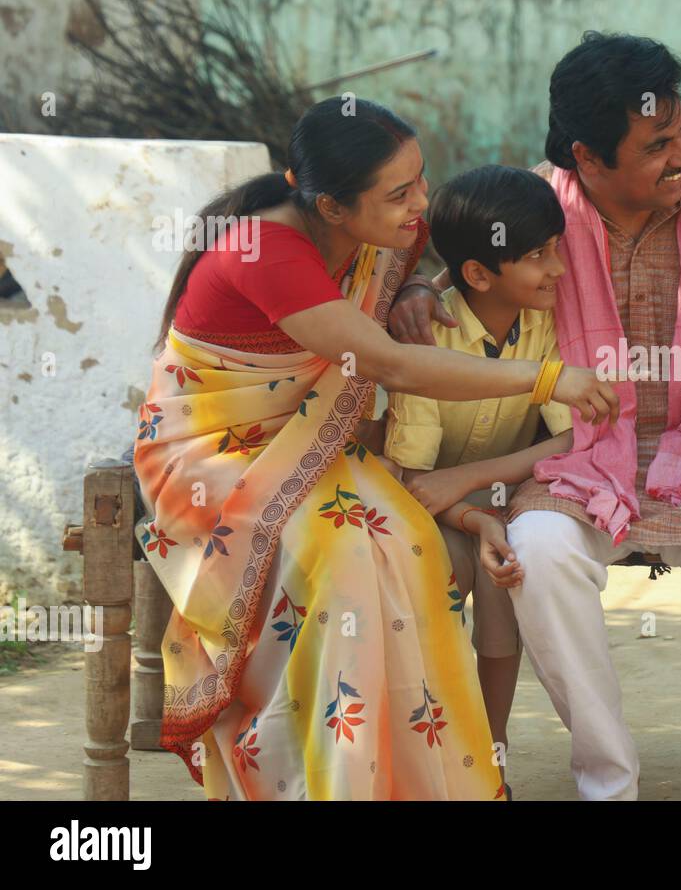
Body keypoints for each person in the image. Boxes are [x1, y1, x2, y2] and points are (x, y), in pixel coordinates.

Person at [133, 97, 619, 800]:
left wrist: (416, 286)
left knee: (411, 548)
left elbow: (389, 309)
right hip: (212, 455)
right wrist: (549, 377)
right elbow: (389, 365)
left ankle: (411, 778)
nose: (421, 203)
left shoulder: (392, 237)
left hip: (319, 446)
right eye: (399, 193)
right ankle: (307, 777)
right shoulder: (264, 250)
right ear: (331, 207)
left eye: (420, 180)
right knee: (345, 565)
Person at [390, 32, 681, 801]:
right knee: (540, 553)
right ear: (587, 158)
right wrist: (418, 291)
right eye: (659, 144)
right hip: (576, 461)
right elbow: (468, 273)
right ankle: (607, 781)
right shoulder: (528, 208)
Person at [380, 165, 574, 784]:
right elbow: (414, 478)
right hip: (424, 503)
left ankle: (490, 756)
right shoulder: (427, 337)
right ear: (477, 274)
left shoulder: (548, 323)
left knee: (501, 576)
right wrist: (469, 511)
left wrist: (480, 487)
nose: (558, 269)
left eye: (556, 249)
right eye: (538, 256)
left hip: (498, 498)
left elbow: (574, 437)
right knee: (441, 570)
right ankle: (424, 756)